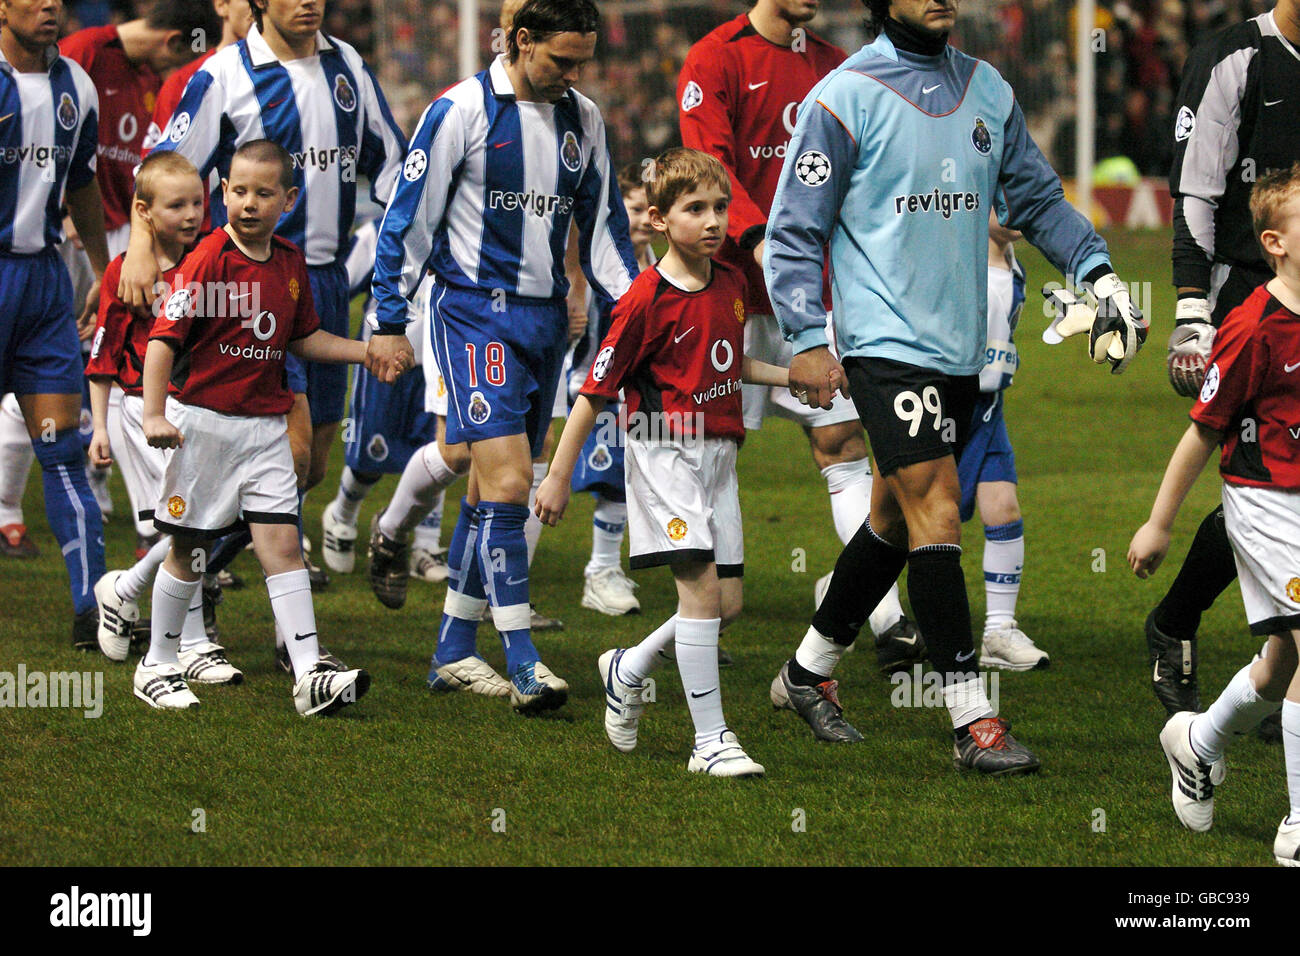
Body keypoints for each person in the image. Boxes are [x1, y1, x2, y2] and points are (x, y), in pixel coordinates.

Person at [763, 0, 1146, 773]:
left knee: (893, 518)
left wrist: (1099, 275)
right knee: (938, 507)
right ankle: (973, 722)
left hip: (963, 346)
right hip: (882, 342)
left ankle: (805, 674)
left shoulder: (990, 90)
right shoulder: (844, 95)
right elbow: (795, 228)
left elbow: (1035, 199)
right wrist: (806, 339)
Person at [371, 0, 638, 713]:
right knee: (514, 481)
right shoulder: (459, 110)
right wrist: (389, 321)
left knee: (490, 490)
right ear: (521, 42)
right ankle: (522, 660)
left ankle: (454, 652)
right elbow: (409, 221)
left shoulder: (584, 118)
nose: (574, 76)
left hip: (548, 323)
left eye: (583, 61)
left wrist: (645, 312)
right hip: (472, 316)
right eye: (561, 61)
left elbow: (606, 228)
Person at [123, 0, 408, 592]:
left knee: (310, 468)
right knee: (290, 458)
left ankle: (140, 583)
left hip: (324, 287)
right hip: (252, 293)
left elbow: (395, 167)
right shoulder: (224, 75)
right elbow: (166, 167)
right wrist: (142, 243)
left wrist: (410, 239)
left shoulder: (348, 66)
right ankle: (284, 637)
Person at [679, 0, 924, 673]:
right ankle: (709, 616)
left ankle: (887, 616)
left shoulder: (833, 64)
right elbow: (710, 167)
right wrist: (762, 242)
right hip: (731, 293)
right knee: (719, 454)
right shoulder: (715, 58)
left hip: (813, 299)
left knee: (842, 444)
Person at [537, 148, 783, 775]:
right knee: (699, 592)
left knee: (726, 607)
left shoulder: (730, 283)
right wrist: (559, 476)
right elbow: (596, 390)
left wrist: (791, 377)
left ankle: (628, 667)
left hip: (720, 455)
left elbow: (726, 362)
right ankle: (711, 742)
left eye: (720, 208)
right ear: (656, 218)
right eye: (694, 209)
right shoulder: (644, 299)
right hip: (662, 451)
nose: (712, 221)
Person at [134, 140, 377, 714]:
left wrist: (364, 353)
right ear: (223, 193)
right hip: (205, 427)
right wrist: (152, 413)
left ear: (288, 200)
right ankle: (159, 664)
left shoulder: (291, 263)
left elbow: (302, 339)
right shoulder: (207, 259)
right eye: (238, 191)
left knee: (284, 546)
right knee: (190, 549)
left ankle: (309, 671)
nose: (248, 203)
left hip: (265, 427)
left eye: (263, 193)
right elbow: (163, 340)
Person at [1129, 162, 1300, 866]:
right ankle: (1297, 827)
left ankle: (1196, 742)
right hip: (1263, 505)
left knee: (1282, 661)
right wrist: (1160, 523)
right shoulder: (1253, 325)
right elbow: (1203, 428)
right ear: (1276, 242)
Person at [1148, 0, 1300, 744]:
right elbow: (1197, 192)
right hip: (1249, 294)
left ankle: (1281, 665)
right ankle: (1179, 623)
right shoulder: (1235, 57)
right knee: (1259, 475)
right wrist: (1190, 308)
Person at [58, 0, 221, 548]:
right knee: (61, 356)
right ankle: (14, 507)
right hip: (73, 230)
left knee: (112, 341)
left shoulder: (152, 79)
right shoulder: (82, 53)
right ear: (176, 40)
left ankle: (114, 486)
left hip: (126, 232)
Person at [86, 153, 236, 675]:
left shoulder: (208, 263)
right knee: (182, 525)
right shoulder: (124, 274)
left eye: (198, 201)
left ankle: (124, 591)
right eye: (178, 205)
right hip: (138, 411)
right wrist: (100, 427)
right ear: (146, 212)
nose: (193, 214)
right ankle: (189, 644)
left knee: (195, 524)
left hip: (192, 408)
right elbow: (103, 355)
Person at [0, 0, 110, 648]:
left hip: (44, 287)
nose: (50, 6)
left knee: (63, 448)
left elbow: (84, 184)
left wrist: (102, 268)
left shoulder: (77, 85)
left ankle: (92, 611)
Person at [955, 213, 1047, 671]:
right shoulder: (957, 256)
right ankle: (848, 592)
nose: (1013, 209)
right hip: (949, 406)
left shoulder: (1012, 261)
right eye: (1000, 197)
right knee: (913, 524)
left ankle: (998, 631)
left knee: (1004, 508)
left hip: (990, 408)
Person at [566, 161, 656, 617]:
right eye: (633, 208)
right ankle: (599, 572)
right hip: (589, 386)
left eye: (649, 209)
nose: (642, 218)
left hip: (633, 391)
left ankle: (604, 570)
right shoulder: (595, 265)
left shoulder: (655, 265)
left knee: (627, 479)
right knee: (609, 478)